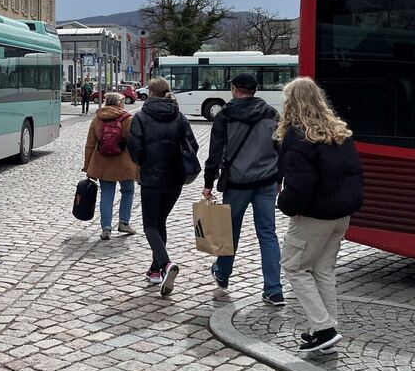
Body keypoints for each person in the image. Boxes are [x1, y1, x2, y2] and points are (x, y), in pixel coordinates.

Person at [276, 77, 364, 353]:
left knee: (294, 266)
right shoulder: (337, 130)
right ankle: (326, 329)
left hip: (314, 215)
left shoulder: (298, 134)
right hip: (341, 213)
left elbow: (300, 184)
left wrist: (284, 203)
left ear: (291, 102)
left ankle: (323, 327)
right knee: (323, 270)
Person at [202, 72, 284, 306]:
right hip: (266, 181)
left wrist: (208, 184)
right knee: (268, 234)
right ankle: (274, 289)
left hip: (237, 183)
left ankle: (223, 274)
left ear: (235, 89)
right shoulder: (271, 113)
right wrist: (280, 178)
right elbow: (280, 148)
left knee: (230, 232)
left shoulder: (226, 115)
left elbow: (215, 153)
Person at [128, 77, 198, 297]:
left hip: (151, 179)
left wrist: (144, 162)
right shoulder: (179, 117)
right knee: (160, 222)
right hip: (175, 179)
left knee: (150, 225)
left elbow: (134, 148)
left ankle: (166, 264)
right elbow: (193, 145)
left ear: (150, 92)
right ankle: (155, 270)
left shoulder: (141, 117)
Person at [83, 92, 138, 240]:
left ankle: (106, 228)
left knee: (106, 195)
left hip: (103, 164)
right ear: (120, 103)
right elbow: (135, 144)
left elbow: (90, 145)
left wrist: (87, 166)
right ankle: (124, 223)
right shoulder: (128, 119)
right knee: (128, 191)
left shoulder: (97, 119)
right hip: (125, 164)